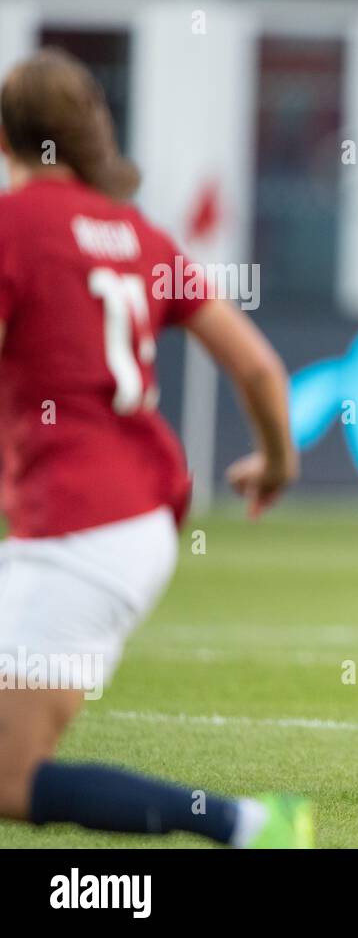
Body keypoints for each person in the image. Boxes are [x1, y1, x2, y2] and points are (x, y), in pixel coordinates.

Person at [0, 48, 311, 846]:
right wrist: (275, 463)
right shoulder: (136, 235)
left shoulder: (15, 227)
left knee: (9, 774)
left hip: (78, 531)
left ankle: (251, 827)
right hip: (129, 518)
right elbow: (259, 369)